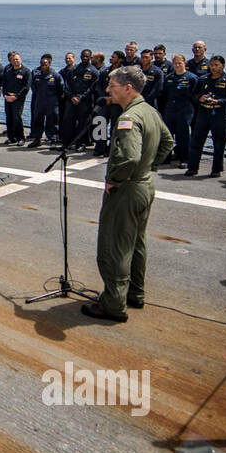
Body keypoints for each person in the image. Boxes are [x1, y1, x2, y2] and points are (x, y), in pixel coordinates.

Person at [83, 67, 174, 322]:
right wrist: (149, 168)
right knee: (137, 242)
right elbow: (168, 142)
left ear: (127, 88)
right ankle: (135, 293)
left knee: (116, 246)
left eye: (112, 85)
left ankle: (113, 304)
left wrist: (115, 181)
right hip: (144, 185)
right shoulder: (150, 112)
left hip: (127, 190)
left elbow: (129, 158)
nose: (108, 89)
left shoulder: (129, 118)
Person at [185, 55, 226, 177]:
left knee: (219, 143)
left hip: (219, 114)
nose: (213, 68)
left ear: (222, 66)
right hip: (203, 113)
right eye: (212, 65)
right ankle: (192, 167)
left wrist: (218, 101)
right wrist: (200, 98)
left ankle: (216, 169)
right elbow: (193, 94)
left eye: (216, 65)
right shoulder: (203, 79)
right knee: (196, 141)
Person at [159, 54, 197, 167]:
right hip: (170, 109)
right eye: (175, 63)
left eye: (180, 63)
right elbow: (164, 94)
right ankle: (166, 157)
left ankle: (184, 159)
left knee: (183, 135)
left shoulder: (192, 78)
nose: (177, 65)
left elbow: (195, 96)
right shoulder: (169, 77)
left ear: (184, 63)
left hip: (184, 110)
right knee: (167, 134)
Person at [63, 49, 98, 149]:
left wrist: (80, 97)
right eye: (83, 56)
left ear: (91, 58)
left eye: (87, 56)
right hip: (71, 100)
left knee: (83, 123)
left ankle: (81, 143)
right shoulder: (73, 69)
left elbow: (93, 88)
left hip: (85, 102)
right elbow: (66, 85)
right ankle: (67, 143)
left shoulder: (94, 72)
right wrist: (71, 96)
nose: (84, 58)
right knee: (68, 122)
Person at [27, 54, 62, 148]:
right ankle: (37, 139)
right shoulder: (37, 75)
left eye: (45, 64)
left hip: (52, 103)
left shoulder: (55, 75)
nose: (43, 66)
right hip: (40, 102)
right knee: (38, 120)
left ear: (49, 64)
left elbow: (60, 89)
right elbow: (34, 87)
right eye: (42, 64)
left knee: (52, 122)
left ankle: (53, 139)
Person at [0, 51, 30, 144]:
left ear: (20, 59)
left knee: (17, 117)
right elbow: (4, 83)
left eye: (17, 59)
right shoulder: (8, 70)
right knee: (9, 117)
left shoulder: (26, 71)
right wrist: (5, 95)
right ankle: (11, 137)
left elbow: (26, 87)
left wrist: (16, 96)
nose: (15, 61)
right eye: (13, 60)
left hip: (18, 99)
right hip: (8, 97)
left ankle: (21, 137)